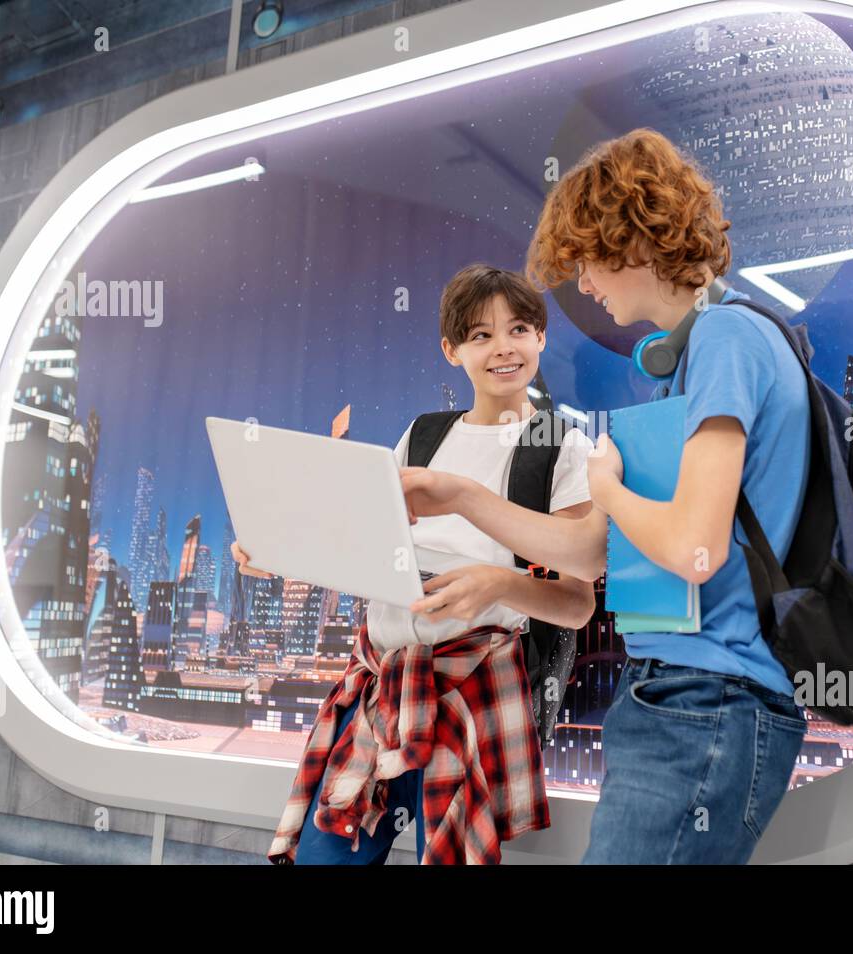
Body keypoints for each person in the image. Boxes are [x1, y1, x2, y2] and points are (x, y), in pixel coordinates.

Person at [410, 128, 811, 863]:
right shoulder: (687, 362)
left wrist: (606, 489)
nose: (582, 285)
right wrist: (461, 494)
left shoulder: (725, 342)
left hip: (708, 696)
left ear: (631, 239)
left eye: (586, 262)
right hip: (675, 690)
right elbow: (592, 553)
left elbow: (695, 548)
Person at [242, 263, 602, 864]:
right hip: (382, 682)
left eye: (518, 329)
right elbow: (366, 542)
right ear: (451, 349)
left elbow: (578, 598)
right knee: (326, 856)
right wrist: (277, 550)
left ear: (541, 337)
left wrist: (500, 584)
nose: (503, 348)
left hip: (473, 687)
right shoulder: (423, 434)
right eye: (480, 335)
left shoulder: (561, 445)